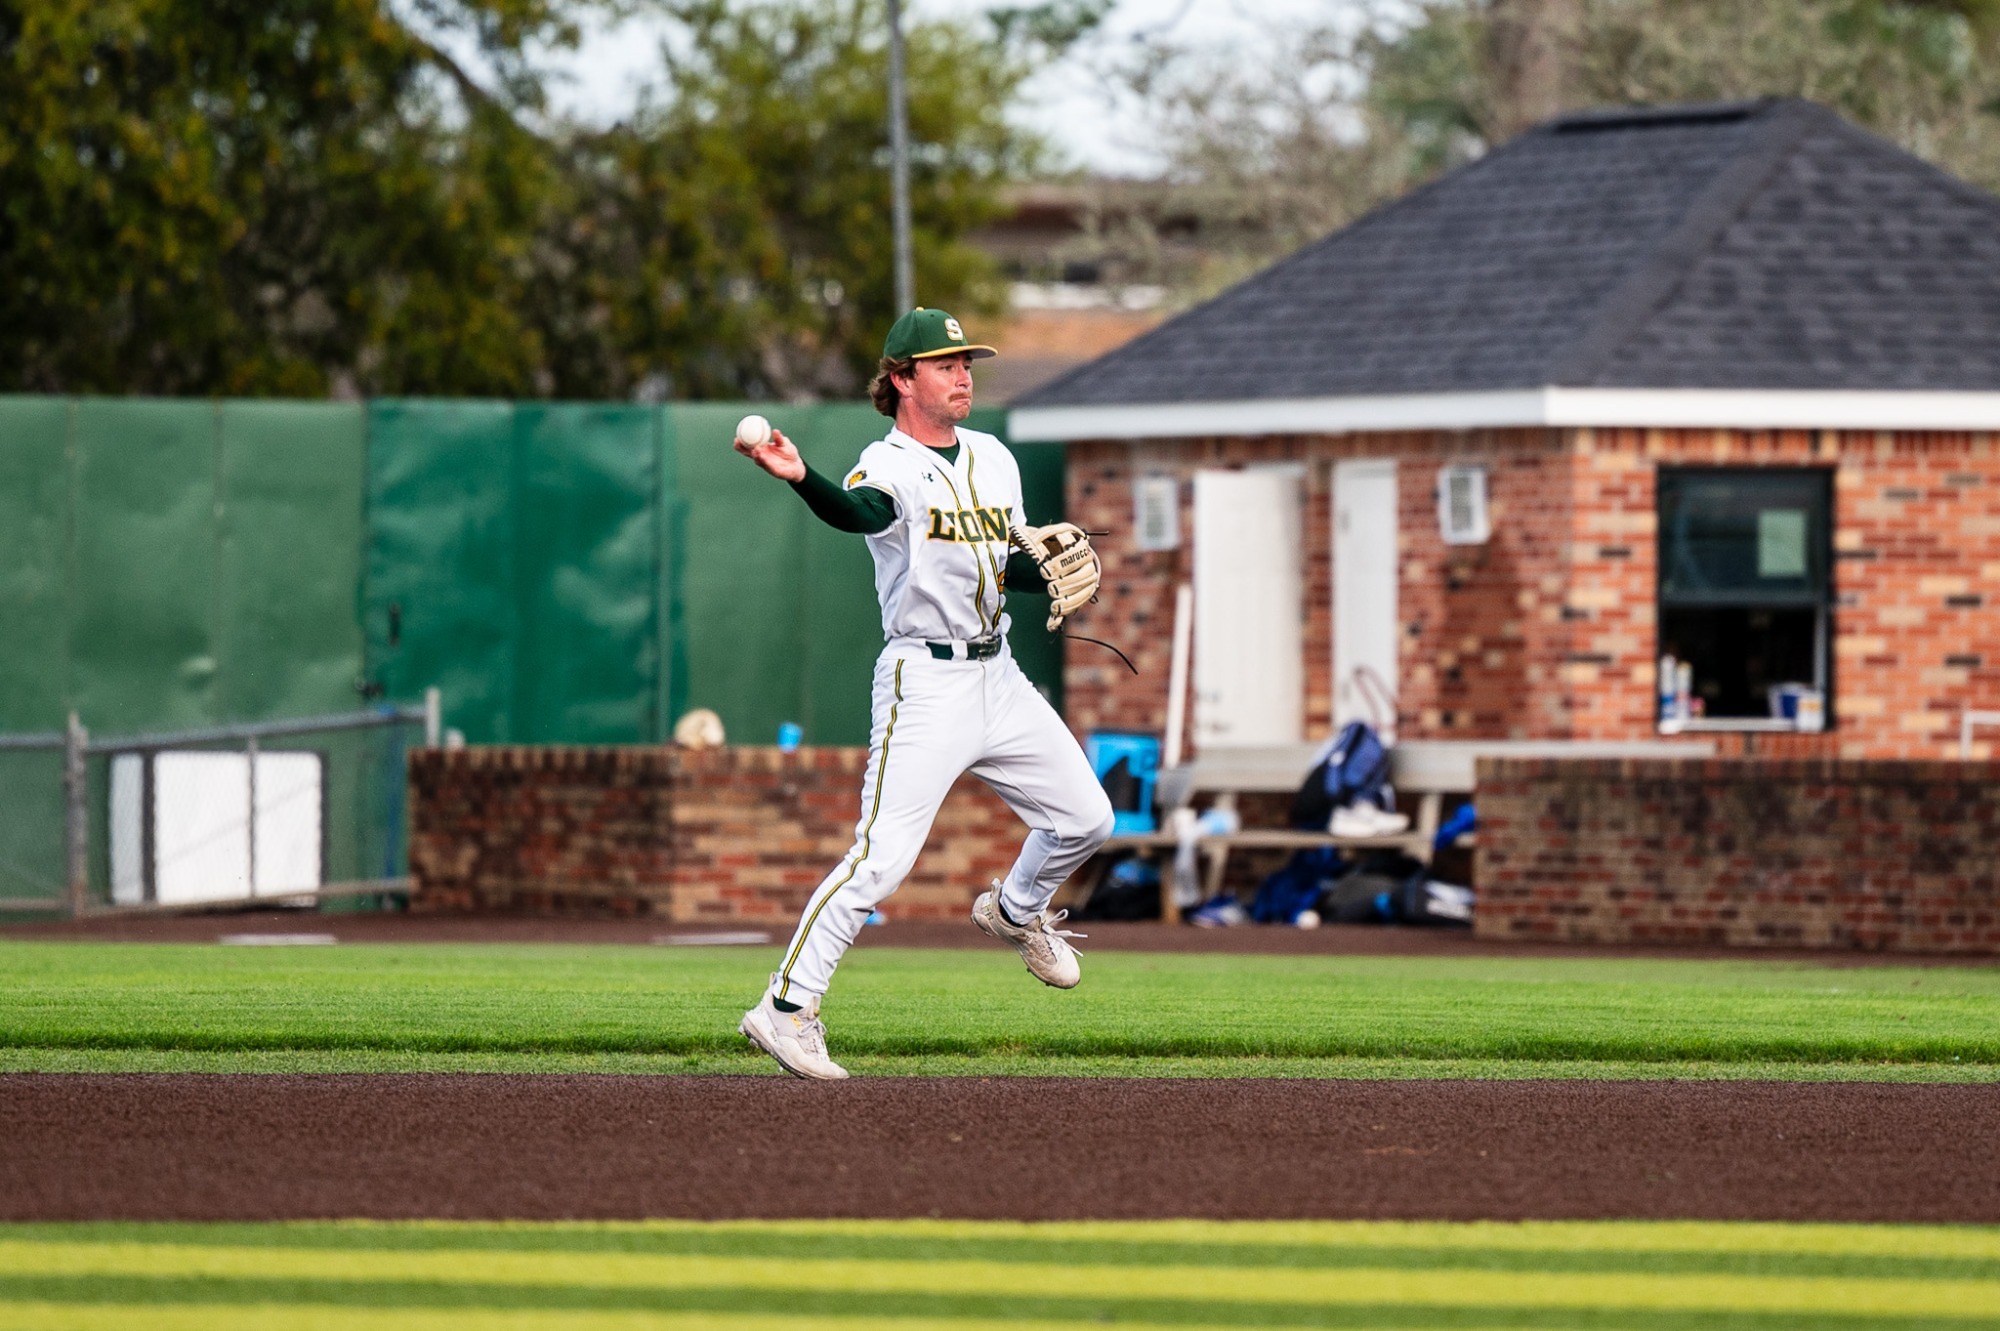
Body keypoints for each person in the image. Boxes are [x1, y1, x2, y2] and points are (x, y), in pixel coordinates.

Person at [734, 307, 1115, 1080]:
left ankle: (1012, 911)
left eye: (967, 362)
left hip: (998, 672)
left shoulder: (995, 457)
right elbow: (860, 514)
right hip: (925, 679)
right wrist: (801, 476)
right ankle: (784, 1009)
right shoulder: (887, 464)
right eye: (946, 364)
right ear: (902, 379)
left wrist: (1042, 567)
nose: (964, 374)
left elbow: (999, 561)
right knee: (880, 858)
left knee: (1087, 817)